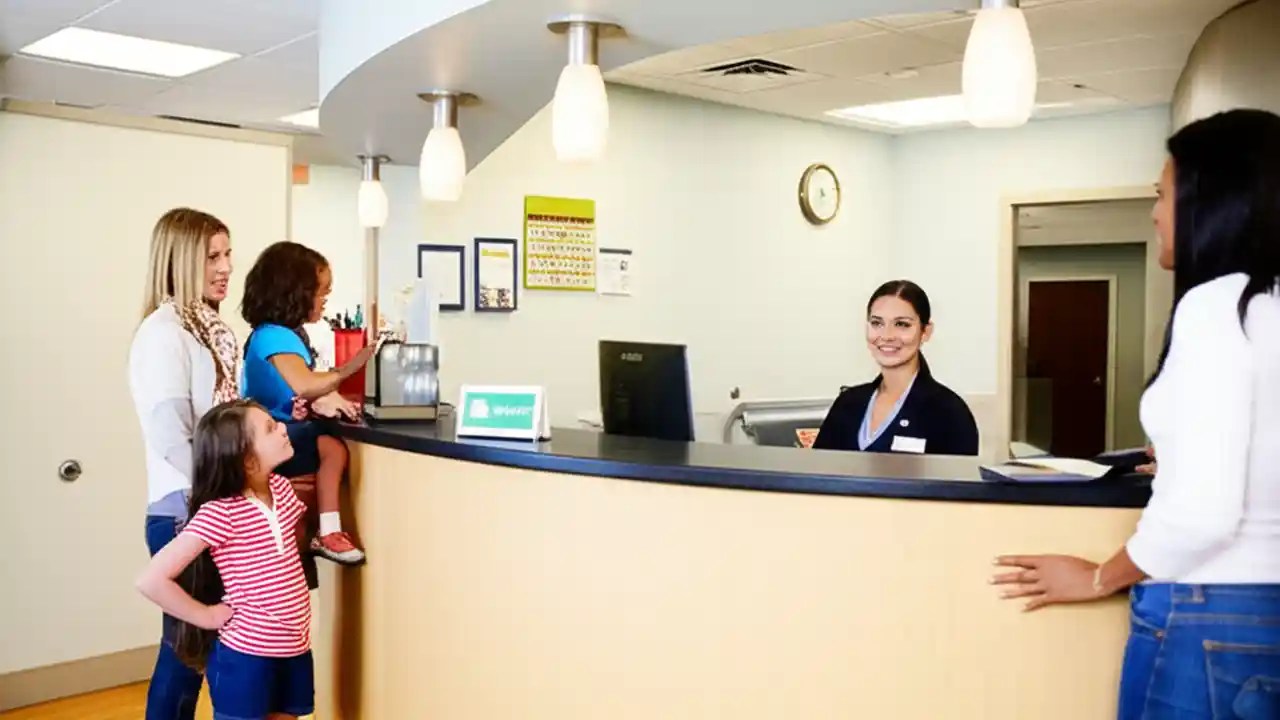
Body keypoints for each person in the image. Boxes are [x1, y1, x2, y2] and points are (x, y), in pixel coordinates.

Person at [991, 109, 1280, 719]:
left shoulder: (1216, 307)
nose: (1154, 212)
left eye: (1162, 194)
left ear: (1213, 200)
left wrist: (1100, 576)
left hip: (1209, 615)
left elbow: (1204, 516)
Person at [136, 400, 314, 720]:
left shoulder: (284, 491)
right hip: (246, 657)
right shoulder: (221, 512)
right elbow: (151, 580)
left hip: (294, 650)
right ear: (246, 460)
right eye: (271, 429)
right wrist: (205, 616)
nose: (284, 428)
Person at [129, 207, 236, 720]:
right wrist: (230, 488)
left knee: (193, 656)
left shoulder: (205, 329)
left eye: (227, 253)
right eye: (212, 256)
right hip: (184, 512)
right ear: (180, 261)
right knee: (185, 655)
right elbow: (173, 436)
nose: (225, 267)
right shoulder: (165, 332)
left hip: (203, 507)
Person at [240, 241, 374, 565]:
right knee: (332, 448)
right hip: (268, 442)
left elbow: (297, 390)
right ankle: (329, 531)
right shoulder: (276, 336)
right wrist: (349, 368)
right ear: (296, 292)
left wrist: (325, 399)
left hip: (274, 433)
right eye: (321, 292)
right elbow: (305, 383)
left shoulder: (278, 334)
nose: (325, 300)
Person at [813, 280, 979, 456]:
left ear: (926, 332)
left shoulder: (949, 412)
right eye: (877, 323)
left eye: (902, 324)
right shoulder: (848, 403)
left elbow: (957, 481)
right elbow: (815, 474)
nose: (887, 336)